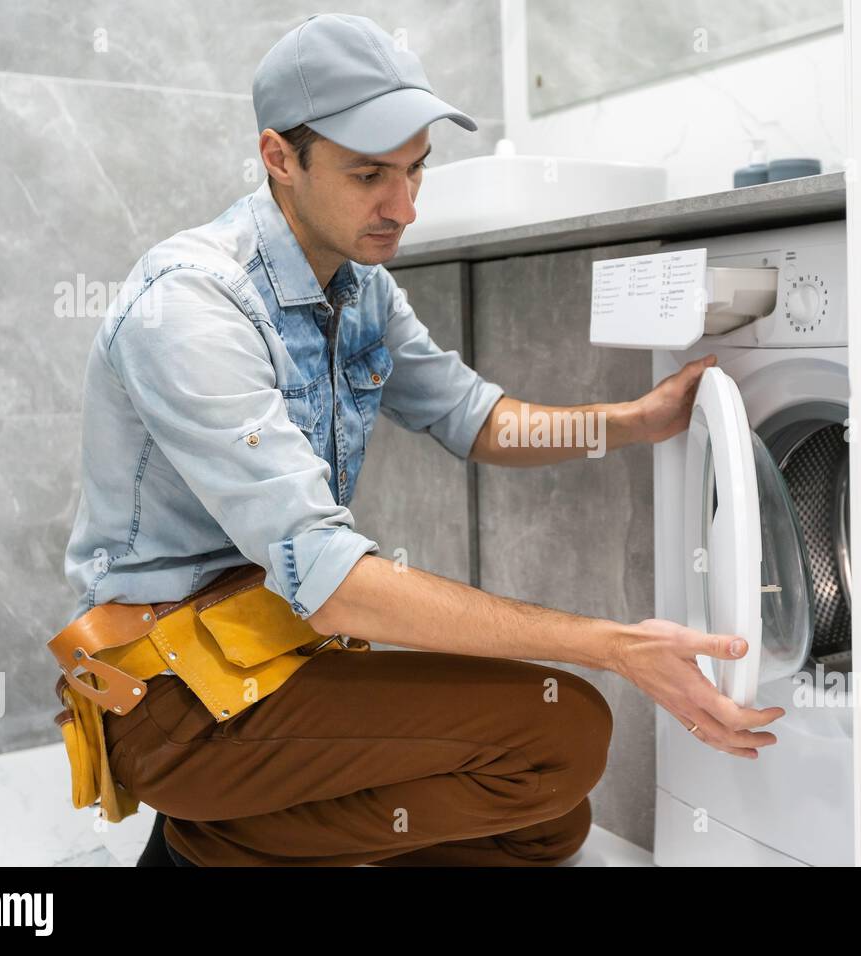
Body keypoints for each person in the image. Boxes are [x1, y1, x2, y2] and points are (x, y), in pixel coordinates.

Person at [62, 13, 783, 867]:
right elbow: (326, 580)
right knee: (567, 728)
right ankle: (206, 836)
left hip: (275, 653)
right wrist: (613, 647)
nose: (403, 208)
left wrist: (632, 420)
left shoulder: (358, 286)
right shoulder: (191, 307)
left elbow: (473, 417)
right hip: (173, 698)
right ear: (278, 157)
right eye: (369, 174)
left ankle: (249, 841)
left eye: (415, 171)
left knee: (547, 823)